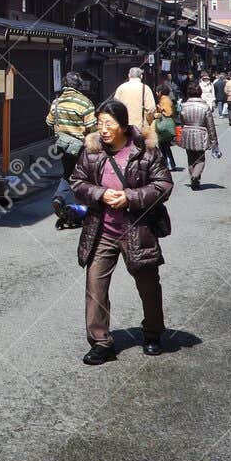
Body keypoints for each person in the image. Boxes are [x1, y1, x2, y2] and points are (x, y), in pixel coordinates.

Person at [70, 100, 174, 365]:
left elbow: (164, 185)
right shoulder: (92, 151)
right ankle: (100, 342)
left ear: (123, 125)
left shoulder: (145, 150)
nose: (103, 129)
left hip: (137, 229)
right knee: (95, 286)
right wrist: (100, 193)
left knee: (148, 286)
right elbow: (77, 182)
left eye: (109, 123)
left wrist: (130, 197)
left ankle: (153, 333)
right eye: (100, 123)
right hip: (101, 230)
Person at [46, 71, 97, 181]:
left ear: (64, 83)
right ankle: (72, 189)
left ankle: (64, 189)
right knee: (80, 174)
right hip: (80, 146)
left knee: (67, 172)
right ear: (79, 85)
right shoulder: (85, 103)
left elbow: (49, 122)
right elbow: (92, 128)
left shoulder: (56, 102)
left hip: (62, 144)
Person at [176, 88, 220, 191]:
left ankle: (194, 179)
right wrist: (214, 141)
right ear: (200, 93)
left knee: (190, 158)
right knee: (200, 159)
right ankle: (195, 176)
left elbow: (181, 121)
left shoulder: (183, 106)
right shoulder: (205, 107)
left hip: (187, 133)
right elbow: (210, 125)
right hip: (201, 134)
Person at [113, 67, 157, 140]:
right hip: (140, 127)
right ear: (141, 76)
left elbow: (115, 107)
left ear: (129, 75)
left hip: (124, 126)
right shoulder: (146, 88)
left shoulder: (121, 88)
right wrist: (149, 122)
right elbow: (151, 109)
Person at [153, 83, 180, 172]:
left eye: (157, 91)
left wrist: (159, 112)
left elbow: (168, 113)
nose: (156, 93)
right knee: (164, 146)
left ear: (160, 92)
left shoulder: (165, 100)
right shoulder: (165, 99)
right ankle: (168, 164)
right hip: (166, 125)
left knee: (164, 146)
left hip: (165, 125)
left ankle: (169, 165)